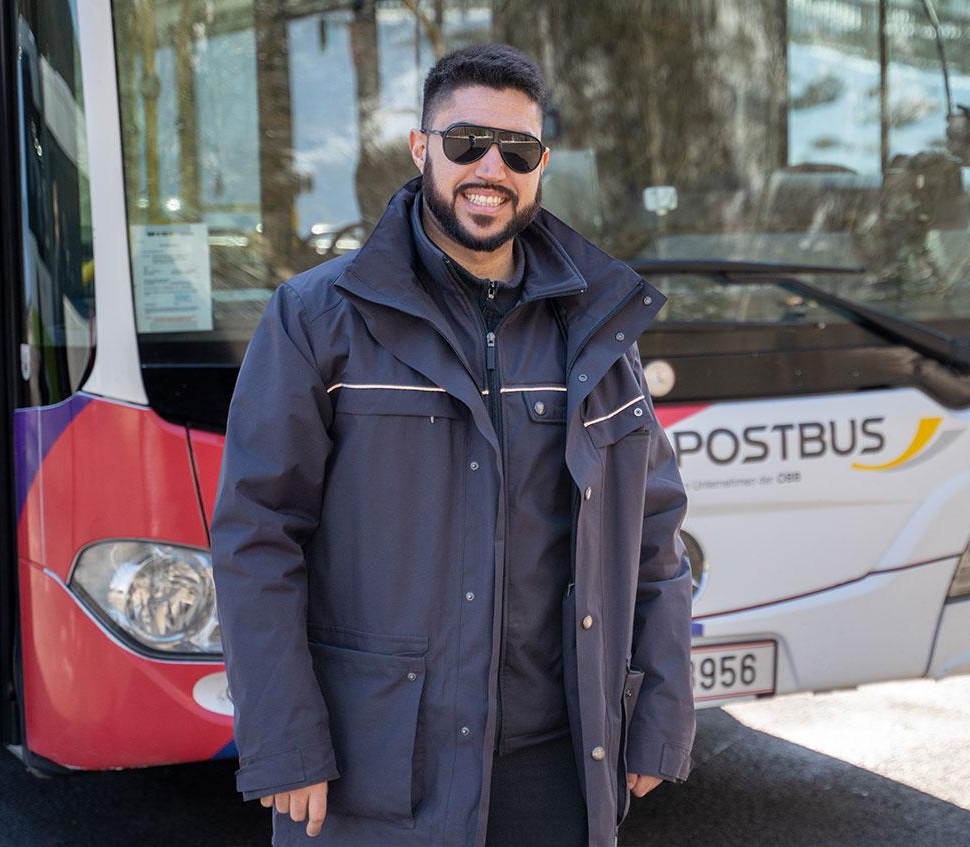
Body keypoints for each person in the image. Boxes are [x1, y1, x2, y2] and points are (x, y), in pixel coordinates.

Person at [209, 43, 695, 847]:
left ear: (542, 164)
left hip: (558, 766)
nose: (490, 168)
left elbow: (655, 536)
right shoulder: (316, 318)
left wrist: (662, 714)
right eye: (466, 142)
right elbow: (258, 538)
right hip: (378, 767)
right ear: (420, 148)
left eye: (518, 150)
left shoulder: (598, 327)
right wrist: (285, 742)